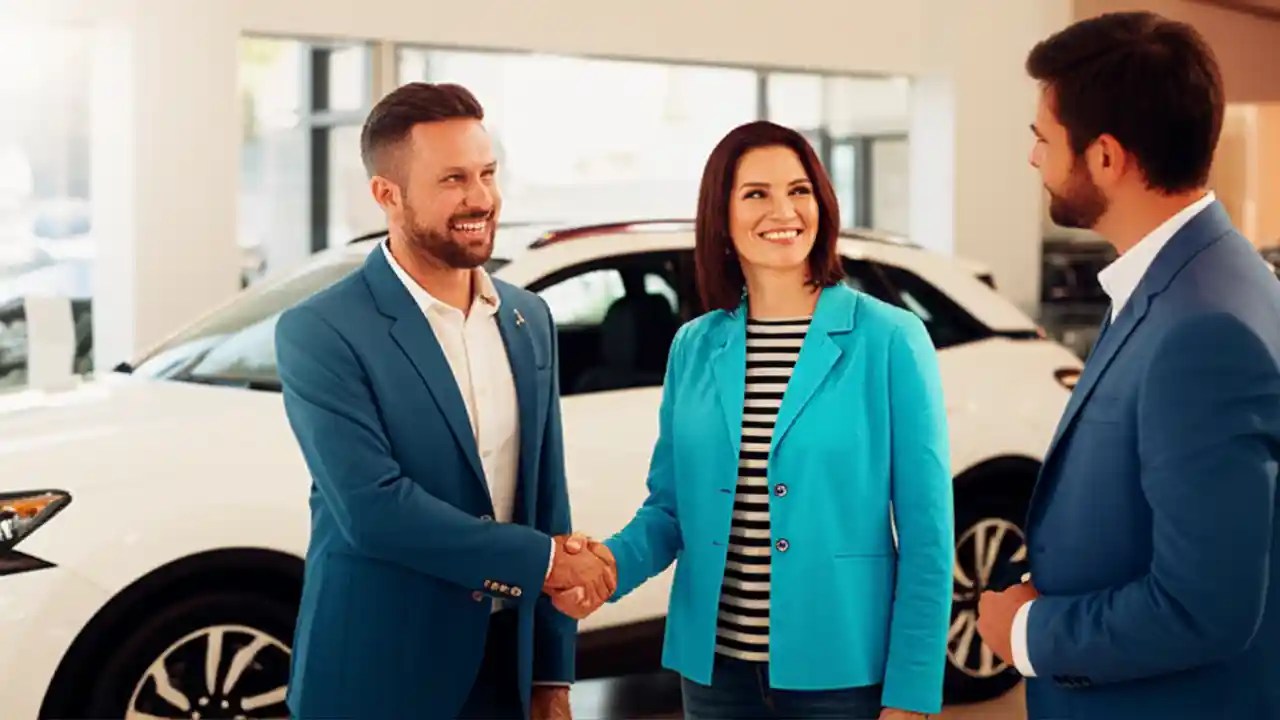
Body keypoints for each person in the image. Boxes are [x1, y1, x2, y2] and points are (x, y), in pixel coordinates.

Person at [560, 120, 954, 719]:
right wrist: (608, 566)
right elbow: (669, 510)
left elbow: (928, 536)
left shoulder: (890, 339)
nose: (784, 210)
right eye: (756, 194)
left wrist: (912, 695)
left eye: (799, 190)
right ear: (721, 217)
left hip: (843, 670)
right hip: (716, 672)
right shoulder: (695, 345)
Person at [275, 82, 615, 720]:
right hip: (377, 677)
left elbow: (547, 498)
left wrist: (551, 677)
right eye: (454, 179)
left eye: (487, 173)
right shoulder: (322, 331)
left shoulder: (527, 318)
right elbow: (373, 510)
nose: (481, 198)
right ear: (387, 194)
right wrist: (543, 563)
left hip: (502, 675)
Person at [976, 12, 1280, 720]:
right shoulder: (1193, 277)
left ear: (1106, 157)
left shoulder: (1203, 330)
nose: (1032, 159)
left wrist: (1026, 634)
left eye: (1042, 139)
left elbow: (1205, 607)